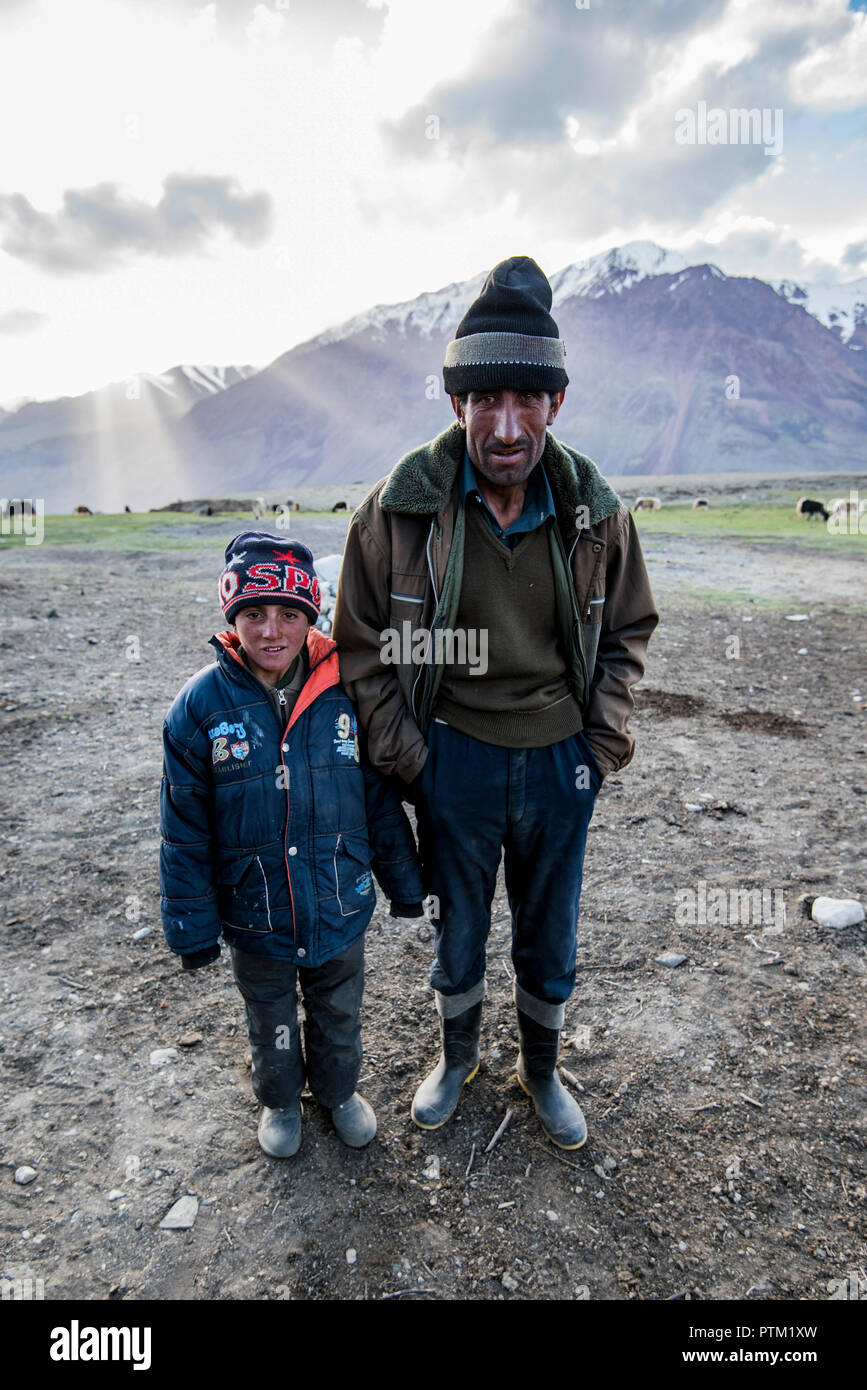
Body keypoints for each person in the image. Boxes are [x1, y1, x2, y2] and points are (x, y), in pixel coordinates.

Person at [333, 256, 659, 1149]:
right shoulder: (398, 512)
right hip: (455, 759)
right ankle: (457, 1057)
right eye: (485, 401)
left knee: (549, 936)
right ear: (455, 406)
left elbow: (628, 629)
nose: (505, 425)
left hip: (560, 761)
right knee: (460, 933)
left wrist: (597, 748)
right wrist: (416, 762)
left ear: (556, 404)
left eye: (525, 400)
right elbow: (363, 647)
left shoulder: (594, 512)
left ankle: (542, 1071)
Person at [159, 533, 424, 1158]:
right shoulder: (199, 707)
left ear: (312, 615)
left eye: (288, 613)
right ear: (232, 616)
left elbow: (380, 802)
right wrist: (191, 928)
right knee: (271, 1019)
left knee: (339, 1012)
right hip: (257, 913)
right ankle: (280, 1101)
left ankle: (337, 1092)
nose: (271, 629)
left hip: (339, 900)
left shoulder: (346, 693)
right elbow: (184, 831)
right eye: (253, 613)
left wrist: (407, 885)